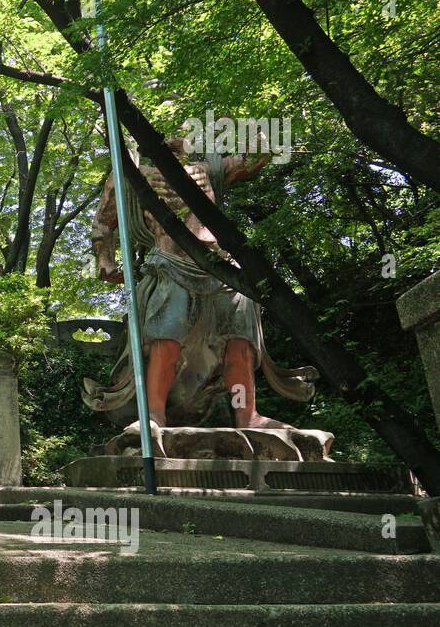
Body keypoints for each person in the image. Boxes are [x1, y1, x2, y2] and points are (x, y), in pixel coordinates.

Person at [83, 136, 316, 430]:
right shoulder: (130, 171)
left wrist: (255, 133)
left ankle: (247, 415)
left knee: (240, 343)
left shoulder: (208, 169)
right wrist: (105, 260)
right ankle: (154, 414)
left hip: (221, 266)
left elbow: (254, 159)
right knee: (166, 339)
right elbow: (103, 222)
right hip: (171, 262)